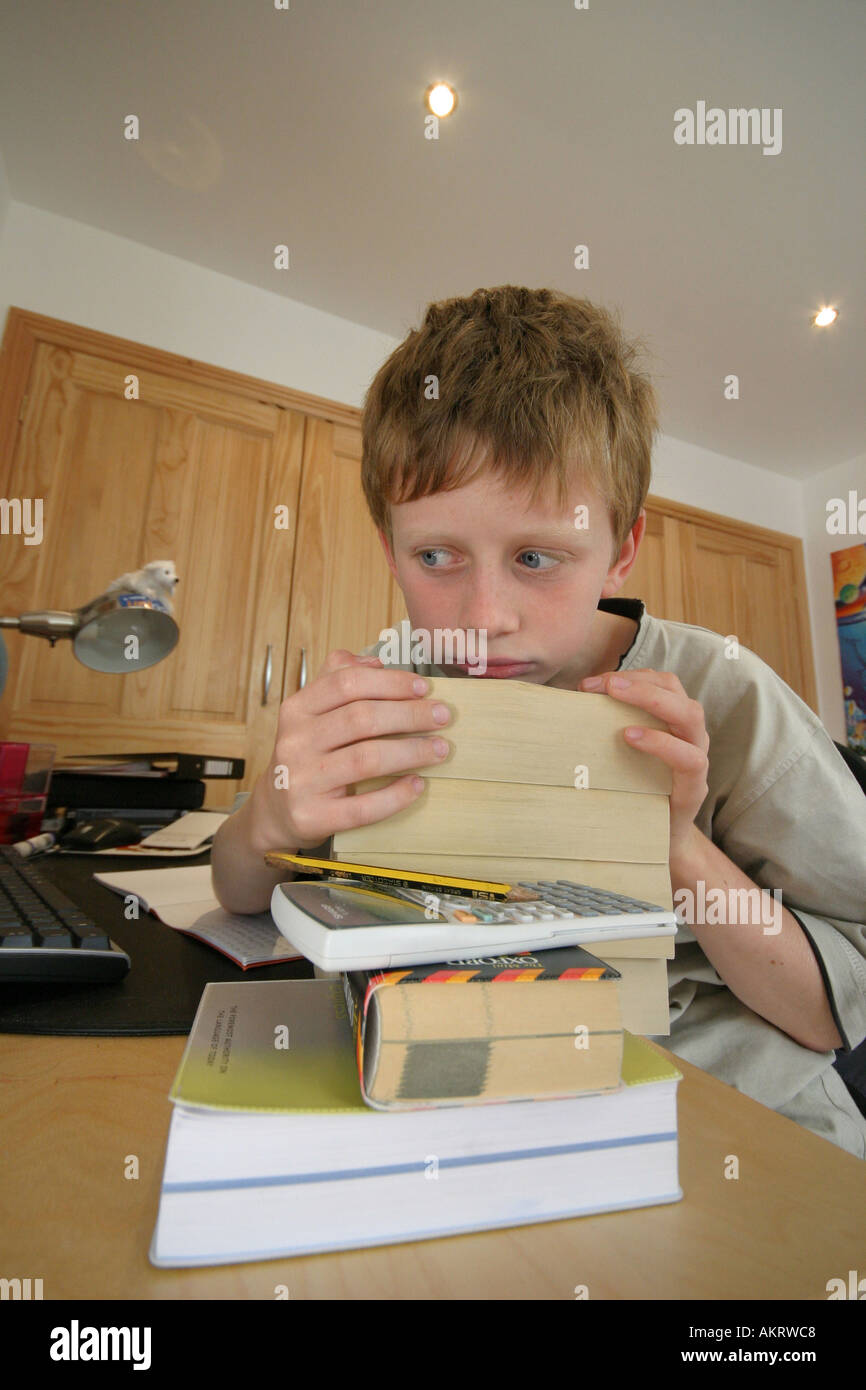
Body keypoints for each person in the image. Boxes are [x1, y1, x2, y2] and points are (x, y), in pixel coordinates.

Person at [211, 285, 866, 1158]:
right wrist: (274, 811)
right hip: (449, 1094)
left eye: (536, 557)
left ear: (621, 548)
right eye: (436, 555)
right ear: (390, 547)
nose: (483, 616)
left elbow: (831, 1019)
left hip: (726, 1107)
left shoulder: (731, 693)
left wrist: (675, 845)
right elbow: (236, 889)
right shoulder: (392, 679)